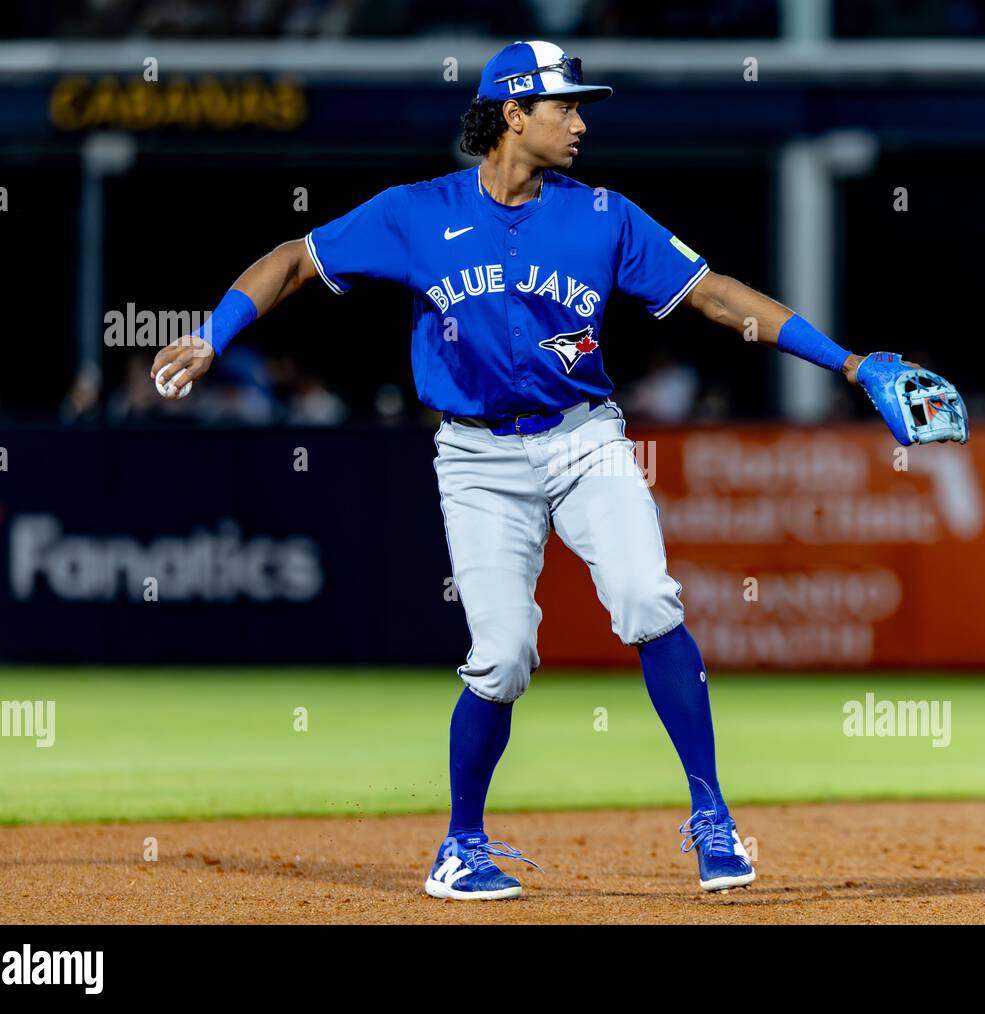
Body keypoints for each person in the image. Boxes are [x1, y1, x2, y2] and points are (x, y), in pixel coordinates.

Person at [150, 40, 884, 900]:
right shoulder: (416, 213)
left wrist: (851, 364)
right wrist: (212, 334)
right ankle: (461, 843)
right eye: (564, 106)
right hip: (475, 455)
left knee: (649, 598)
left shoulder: (604, 213)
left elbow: (717, 295)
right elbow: (293, 259)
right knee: (501, 658)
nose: (578, 121)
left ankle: (712, 819)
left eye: (579, 107)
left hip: (584, 439)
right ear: (512, 114)